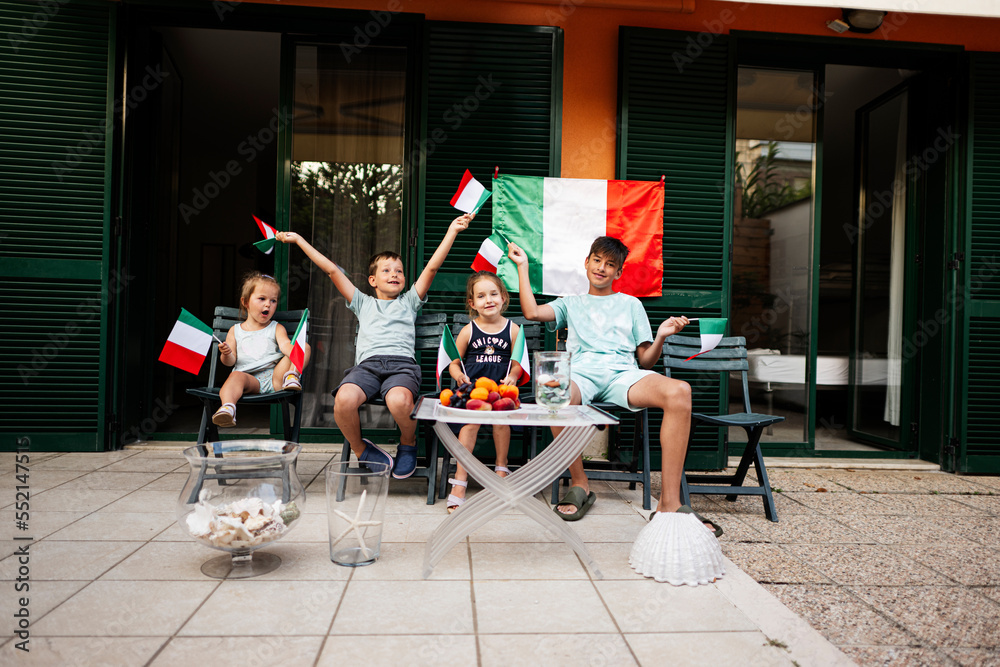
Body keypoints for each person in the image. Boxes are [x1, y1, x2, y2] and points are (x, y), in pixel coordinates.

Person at [507, 236, 721, 535]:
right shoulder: (571, 303)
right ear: (587, 262)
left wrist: (660, 336)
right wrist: (523, 266)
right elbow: (531, 313)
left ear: (618, 272)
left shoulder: (631, 304)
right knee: (555, 394)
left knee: (680, 391)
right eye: (597, 260)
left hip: (623, 375)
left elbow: (645, 361)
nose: (602, 268)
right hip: (581, 373)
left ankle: (669, 503)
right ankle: (580, 482)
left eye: (610, 265)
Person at [277, 213, 470, 479]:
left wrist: (452, 231)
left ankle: (408, 443)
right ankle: (362, 450)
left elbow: (432, 268)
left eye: (399, 271)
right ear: (372, 281)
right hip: (367, 368)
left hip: (402, 367)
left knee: (399, 400)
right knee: (343, 400)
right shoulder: (362, 302)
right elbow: (332, 269)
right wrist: (298, 240)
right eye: (387, 270)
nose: (395, 274)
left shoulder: (410, 300)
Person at [444, 271, 524, 513]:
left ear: (503, 298)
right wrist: (458, 376)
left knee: (501, 422)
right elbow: (454, 362)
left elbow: (519, 363)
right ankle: (460, 479)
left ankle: (501, 469)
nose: (488, 300)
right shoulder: (469, 330)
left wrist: (513, 376)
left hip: (500, 391)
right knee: (470, 425)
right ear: (472, 303)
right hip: (474, 390)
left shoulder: (513, 330)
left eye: (493, 294)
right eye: (481, 296)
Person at [212, 272, 311, 427]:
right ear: (245, 302)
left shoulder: (276, 327)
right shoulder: (235, 330)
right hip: (248, 379)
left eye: (273, 301)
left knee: (304, 347)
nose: (268, 305)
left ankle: (292, 376)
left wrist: (296, 355)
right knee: (236, 376)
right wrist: (227, 353)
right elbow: (229, 362)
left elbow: (285, 346)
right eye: (262, 299)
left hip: (276, 378)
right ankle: (228, 408)